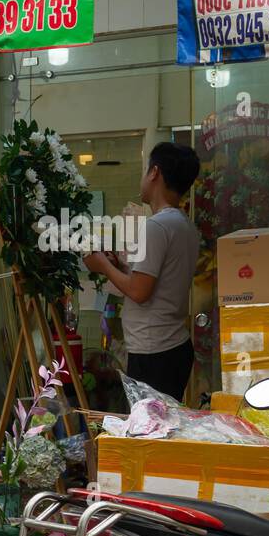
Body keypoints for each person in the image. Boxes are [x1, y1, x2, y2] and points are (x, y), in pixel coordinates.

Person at [85, 142, 201, 402]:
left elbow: (139, 291)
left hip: (154, 352)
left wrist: (101, 265)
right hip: (171, 346)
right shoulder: (183, 225)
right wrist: (120, 267)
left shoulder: (156, 227)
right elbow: (150, 281)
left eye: (145, 169)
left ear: (154, 173)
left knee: (151, 433)